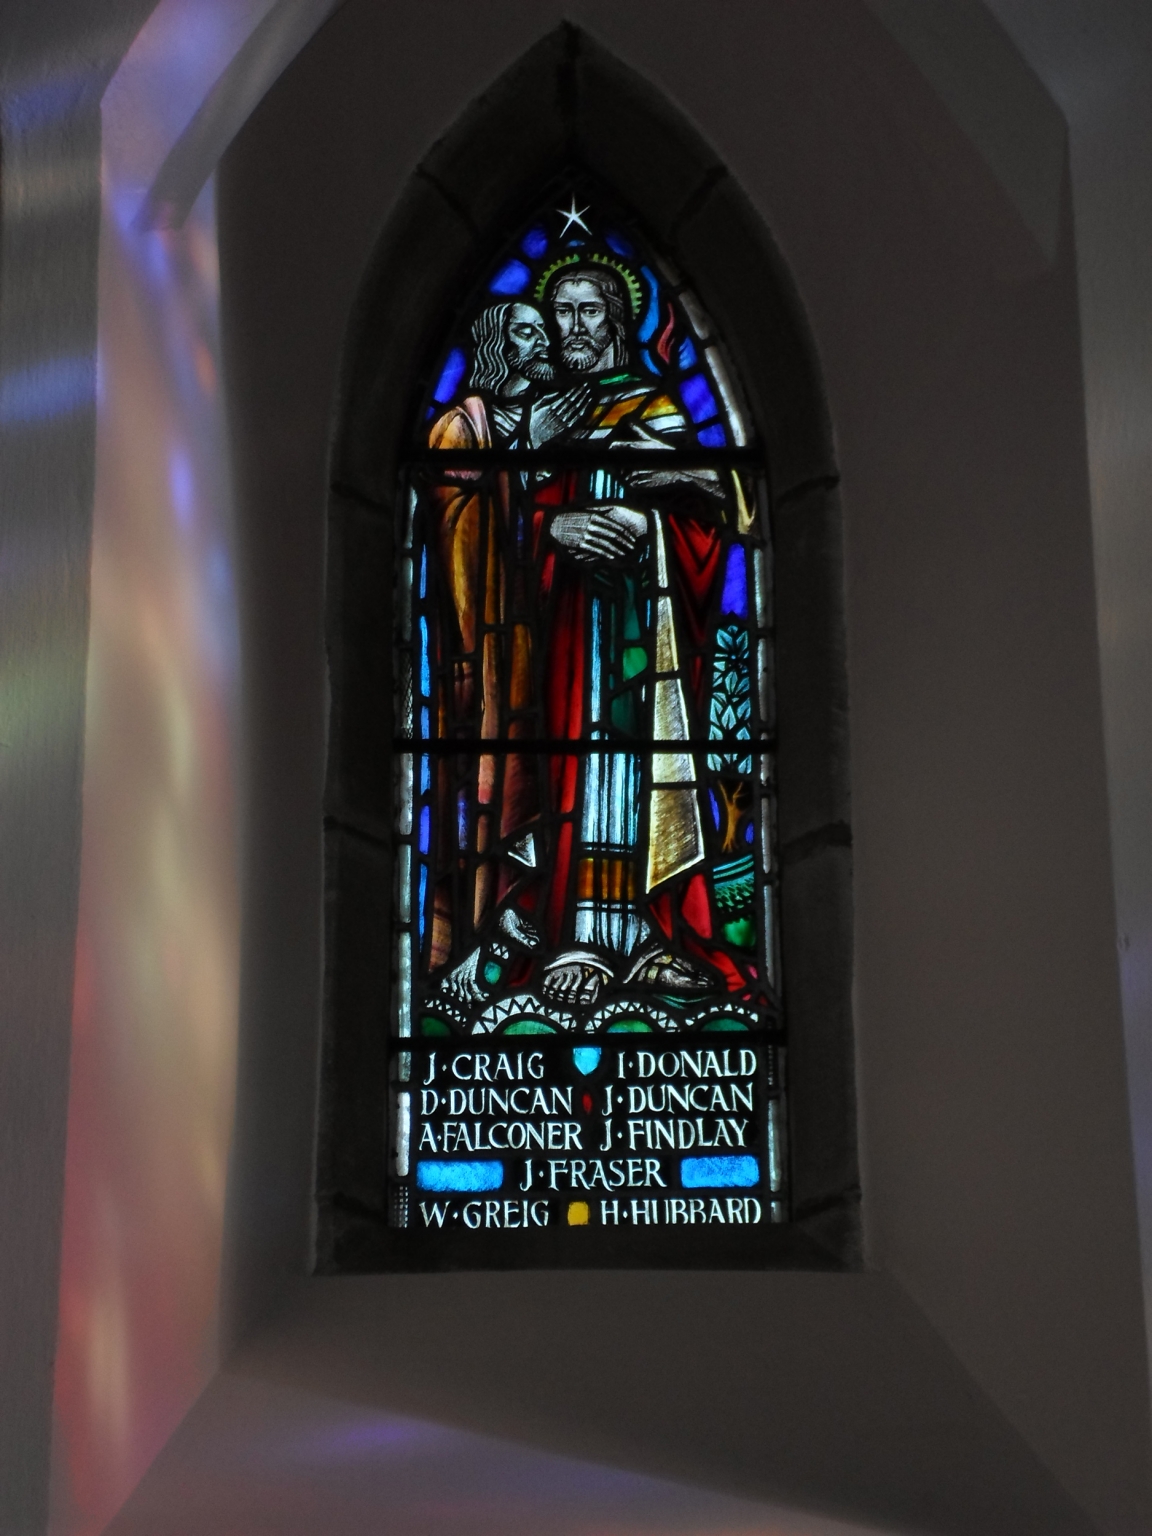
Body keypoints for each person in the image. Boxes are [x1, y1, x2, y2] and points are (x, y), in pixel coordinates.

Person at [530, 260, 732, 1008]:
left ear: (618, 320)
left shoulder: (655, 405)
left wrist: (651, 508)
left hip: (646, 623)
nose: (572, 330)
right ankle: (578, 934)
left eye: (587, 313)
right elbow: (491, 527)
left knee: (642, 761)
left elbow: (715, 511)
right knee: (583, 764)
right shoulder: (543, 418)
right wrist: (557, 524)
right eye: (562, 316)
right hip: (571, 635)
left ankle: (648, 937)